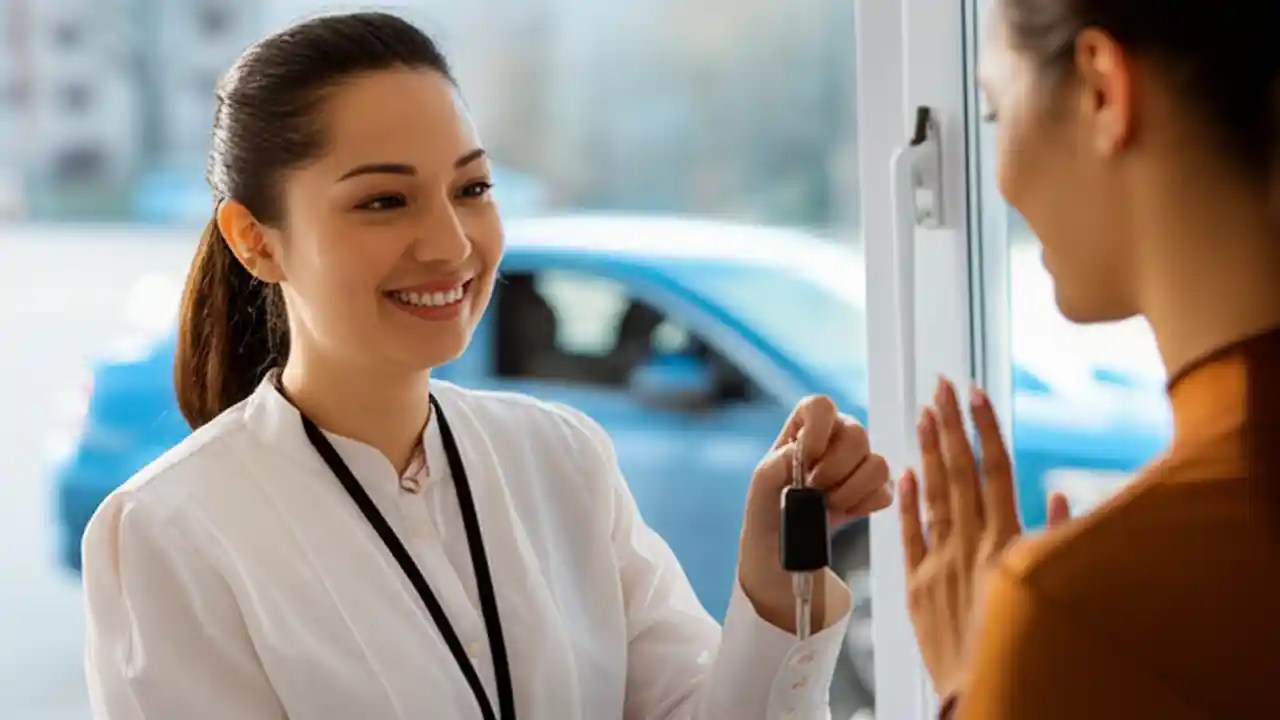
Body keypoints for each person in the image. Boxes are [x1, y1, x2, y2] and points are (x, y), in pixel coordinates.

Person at [79, 12, 894, 720]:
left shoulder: (562, 459)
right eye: (383, 201)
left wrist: (775, 571)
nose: (451, 244)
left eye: (471, 189)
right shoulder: (167, 531)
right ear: (255, 239)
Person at [898, 1, 1280, 718]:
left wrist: (972, 685)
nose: (1001, 181)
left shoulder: (1082, 613)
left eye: (992, 112)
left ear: (1102, 90)